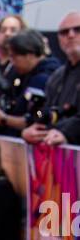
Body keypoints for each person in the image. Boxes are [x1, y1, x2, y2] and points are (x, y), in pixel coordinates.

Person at [0, 30, 50, 137]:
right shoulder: (25, 76)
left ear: (29, 54)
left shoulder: (42, 79)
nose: (12, 62)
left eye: (14, 57)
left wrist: (4, 119)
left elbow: (36, 117)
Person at [21, 12, 80, 148]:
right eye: (64, 32)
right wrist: (30, 130)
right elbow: (43, 112)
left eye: (78, 29)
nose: (71, 35)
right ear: (58, 39)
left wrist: (66, 133)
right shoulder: (57, 76)